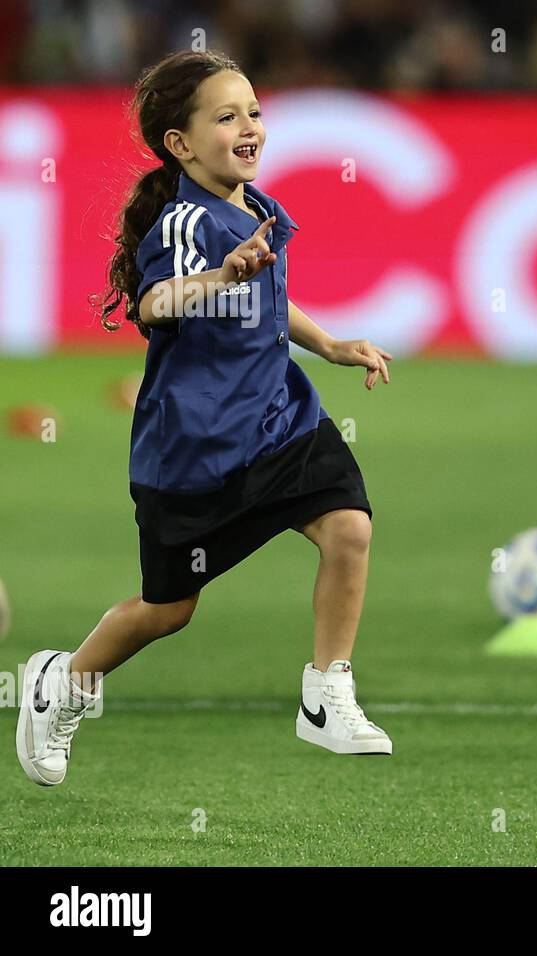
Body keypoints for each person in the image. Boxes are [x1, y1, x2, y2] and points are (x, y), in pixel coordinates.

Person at [16, 49, 396, 788]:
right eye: (227, 117)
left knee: (349, 525)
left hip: (281, 420)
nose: (249, 126)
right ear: (181, 145)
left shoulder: (257, 210)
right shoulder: (188, 222)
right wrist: (220, 276)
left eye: (253, 110)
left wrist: (331, 345)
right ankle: (62, 681)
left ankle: (327, 693)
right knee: (166, 610)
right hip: (196, 452)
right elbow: (152, 304)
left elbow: (270, 301)